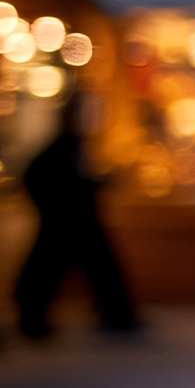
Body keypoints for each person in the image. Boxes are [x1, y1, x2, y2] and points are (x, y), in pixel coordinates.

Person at [13, 92, 140, 340]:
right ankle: (35, 320)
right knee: (50, 272)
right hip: (68, 223)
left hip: (72, 222)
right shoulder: (62, 148)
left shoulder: (71, 146)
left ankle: (116, 316)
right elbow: (50, 181)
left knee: (88, 271)